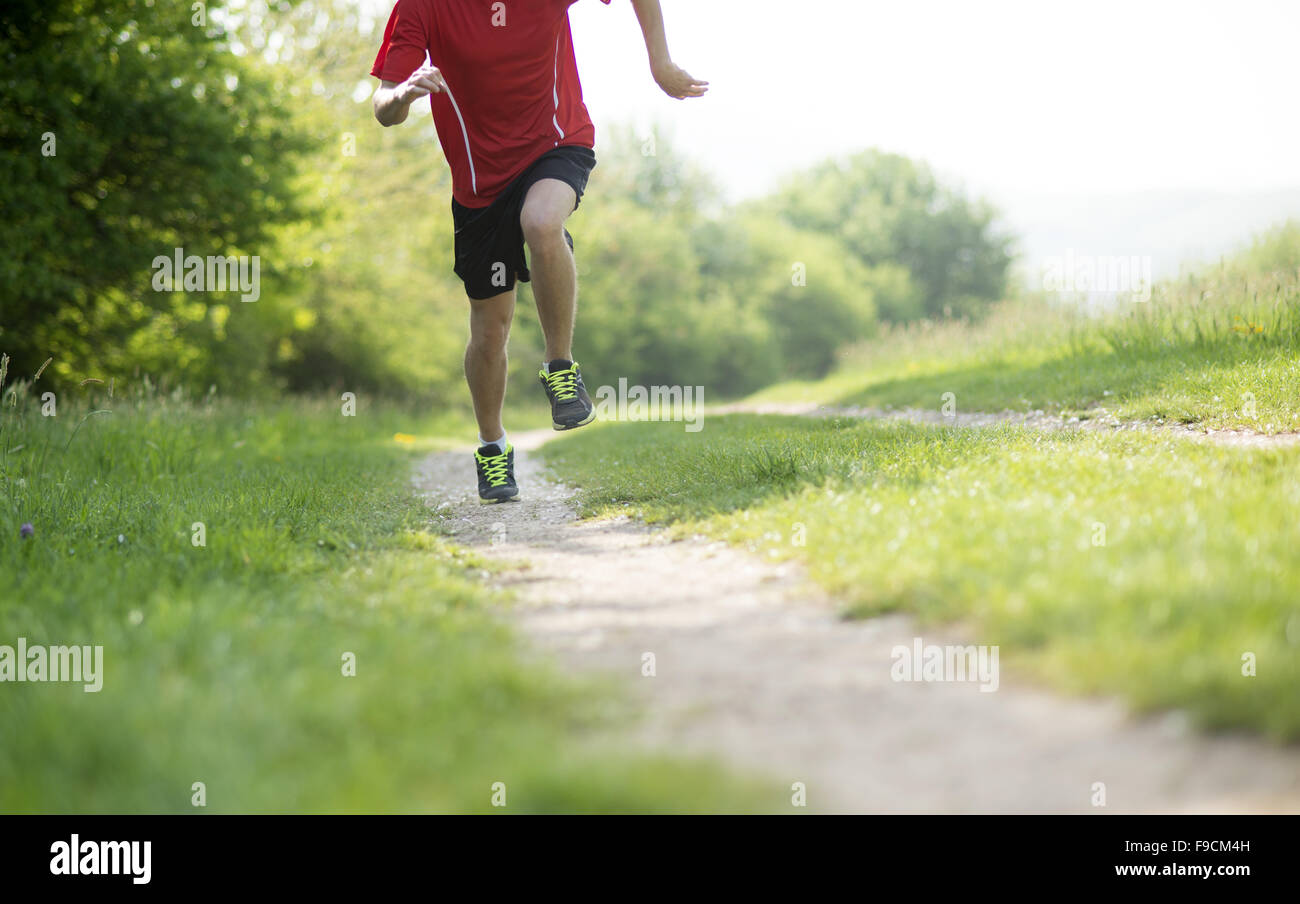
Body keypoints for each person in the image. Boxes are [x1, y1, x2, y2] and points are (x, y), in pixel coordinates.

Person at [370, 0, 707, 502]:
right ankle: (492, 446)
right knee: (490, 332)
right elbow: (383, 109)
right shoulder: (422, 5)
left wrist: (659, 62)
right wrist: (403, 93)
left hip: (556, 142)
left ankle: (561, 368)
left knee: (541, 222)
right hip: (479, 184)